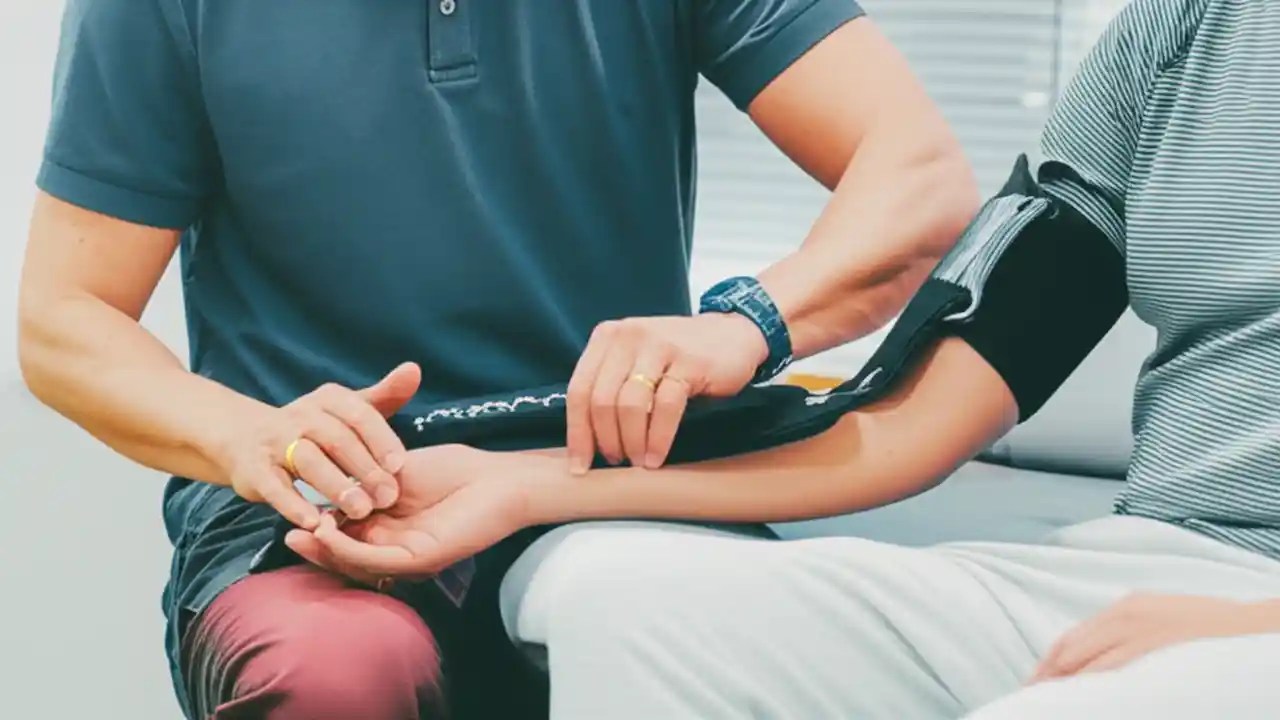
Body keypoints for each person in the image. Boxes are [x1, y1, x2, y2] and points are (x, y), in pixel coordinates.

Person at [293, 0, 1280, 717]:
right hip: (1156, 562)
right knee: (624, 604)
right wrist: (520, 486)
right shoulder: (1179, 31)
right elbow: (906, 418)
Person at [17, 0, 976, 717]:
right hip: (327, 511)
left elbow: (919, 173)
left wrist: (750, 321)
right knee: (334, 680)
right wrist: (252, 438)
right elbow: (65, 317)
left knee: (752, 652)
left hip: (615, 486)